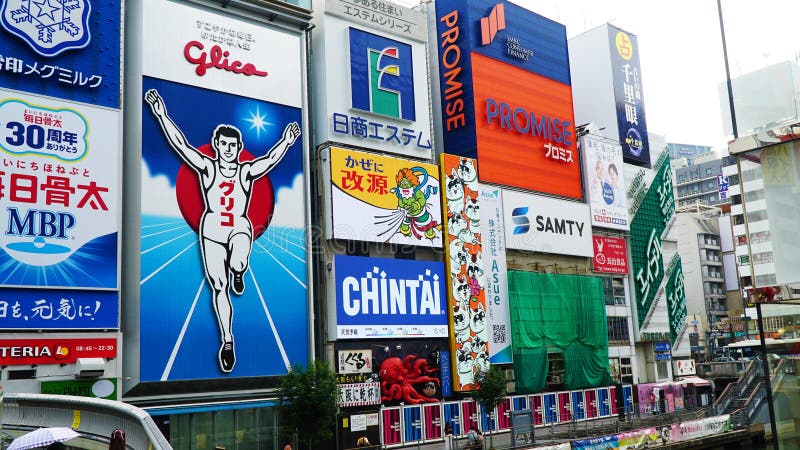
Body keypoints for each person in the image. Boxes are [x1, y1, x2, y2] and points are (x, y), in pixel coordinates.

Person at [144, 89, 300, 373]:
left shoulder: (245, 171)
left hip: (239, 225)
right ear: (216, 145)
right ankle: (228, 340)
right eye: (224, 144)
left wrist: (287, 142)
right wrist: (161, 114)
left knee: (238, 261)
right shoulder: (207, 168)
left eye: (233, 145)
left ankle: (239, 271)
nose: (228, 149)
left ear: (238, 148)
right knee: (218, 286)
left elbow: (270, 160)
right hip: (212, 228)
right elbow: (181, 145)